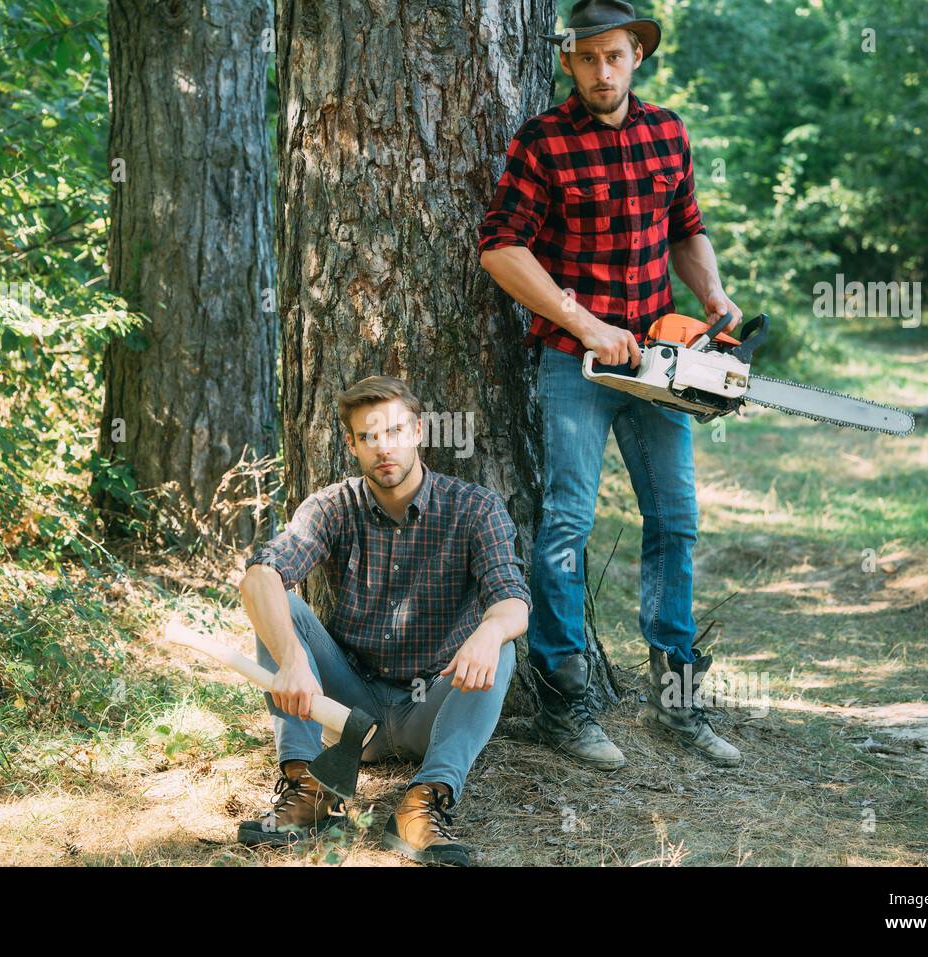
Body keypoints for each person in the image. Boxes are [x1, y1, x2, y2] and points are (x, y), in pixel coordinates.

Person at [478, 0, 742, 768]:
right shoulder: (542, 142)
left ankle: (678, 704)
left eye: (616, 56)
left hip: (660, 359)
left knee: (676, 519)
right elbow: (500, 249)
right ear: (568, 61)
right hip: (578, 361)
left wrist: (713, 297)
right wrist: (585, 322)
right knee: (566, 523)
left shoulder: (668, 132)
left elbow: (686, 227)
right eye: (588, 57)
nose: (602, 71)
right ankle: (565, 704)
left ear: (638, 56)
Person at [238, 375, 531, 865]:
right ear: (351, 444)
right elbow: (258, 579)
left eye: (395, 431)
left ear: (417, 431)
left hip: (433, 705)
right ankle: (308, 787)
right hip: (347, 710)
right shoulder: (332, 506)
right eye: (369, 437)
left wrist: (490, 630)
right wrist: (292, 659)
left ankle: (423, 804)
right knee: (278, 604)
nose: (383, 448)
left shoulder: (475, 507)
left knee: (499, 643)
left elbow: (512, 600)